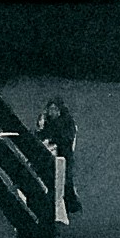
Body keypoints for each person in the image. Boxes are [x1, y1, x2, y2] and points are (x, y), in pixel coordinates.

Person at [38, 89, 82, 222]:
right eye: (50, 109)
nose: (52, 112)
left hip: (63, 154)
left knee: (64, 179)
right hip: (49, 153)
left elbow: (67, 139)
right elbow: (40, 135)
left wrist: (53, 140)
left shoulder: (67, 122)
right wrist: (41, 128)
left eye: (55, 109)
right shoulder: (47, 121)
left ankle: (70, 204)